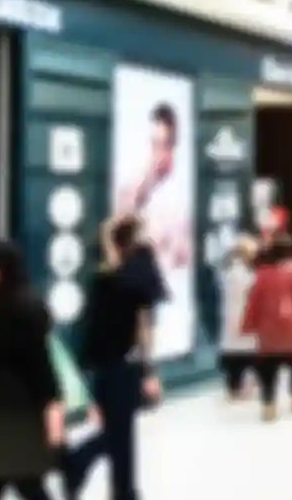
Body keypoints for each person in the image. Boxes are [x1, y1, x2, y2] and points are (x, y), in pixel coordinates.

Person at [64, 214, 168, 500]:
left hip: (103, 365)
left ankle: (96, 474)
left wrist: (111, 231)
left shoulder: (104, 279)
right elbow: (144, 327)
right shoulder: (139, 276)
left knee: (118, 430)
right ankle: (87, 468)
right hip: (126, 363)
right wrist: (149, 371)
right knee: (120, 432)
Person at [0, 239, 62, 500]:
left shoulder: (19, 306)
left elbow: (39, 361)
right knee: (3, 480)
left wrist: (53, 405)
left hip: (14, 407)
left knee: (15, 479)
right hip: (1, 404)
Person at [240, 232, 292, 422]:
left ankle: (269, 405)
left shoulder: (263, 274)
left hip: (268, 330)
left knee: (268, 367)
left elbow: (254, 302)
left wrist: (248, 324)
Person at [116, 103, 192, 271]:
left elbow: (183, 257)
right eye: (155, 146)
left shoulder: (178, 201)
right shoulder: (130, 187)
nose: (160, 156)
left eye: (166, 146)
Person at [219, 235, 259, 400]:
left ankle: (235, 388)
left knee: (234, 362)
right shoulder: (244, 275)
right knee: (246, 356)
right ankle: (242, 388)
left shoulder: (227, 272)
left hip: (232, 330)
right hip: (244, 326)